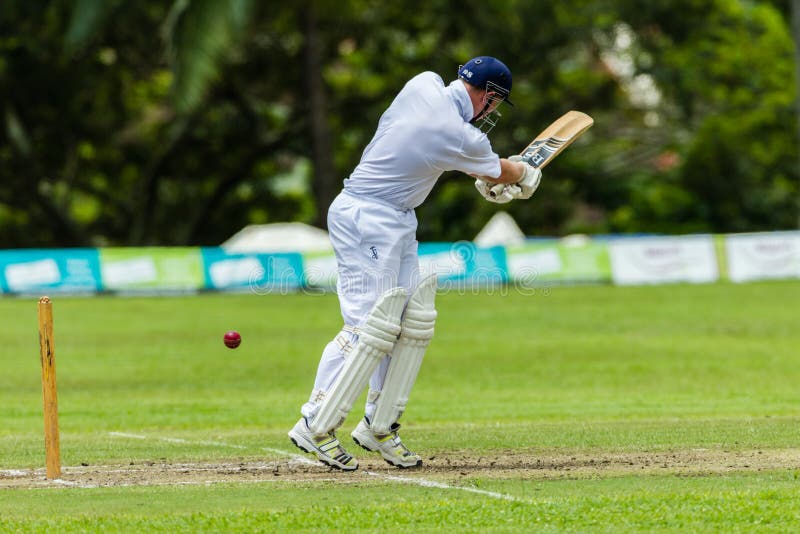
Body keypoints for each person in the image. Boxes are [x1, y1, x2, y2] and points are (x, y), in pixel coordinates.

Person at [288, 56, 542, 470]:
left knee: (408, 321)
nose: (491, 113)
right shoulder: (462, 137)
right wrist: (523, 176)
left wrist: (490, 176)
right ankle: (314, 423)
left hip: (396, 217)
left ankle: (378, 424)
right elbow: (502, 168)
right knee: (367, 326)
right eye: (494, 104)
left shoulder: (422, 84)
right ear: (490, 97)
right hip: (368, 217)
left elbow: (435, 151)